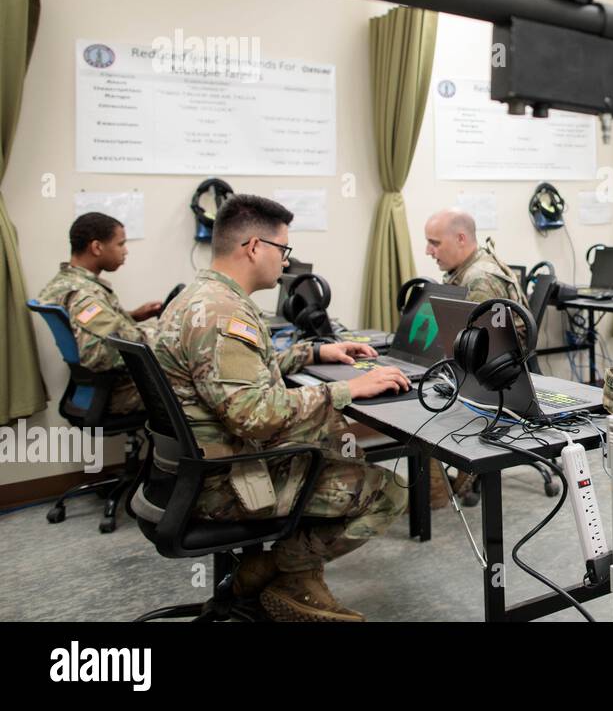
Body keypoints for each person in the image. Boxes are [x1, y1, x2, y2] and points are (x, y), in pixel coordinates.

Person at [154, 194, 410, 621]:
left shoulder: (201, 297)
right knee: (387, 491)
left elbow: (237, 373)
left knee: (335, 444)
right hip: (224, 486)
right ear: (254, 247)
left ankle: (294, 580)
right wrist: (351, 391)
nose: (286, 264)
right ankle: (270, 572)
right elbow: (255, 415)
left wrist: (313, 354)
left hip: (191, 471)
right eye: (283, 250)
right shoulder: (222, 313)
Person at [424, 207, 527, 506]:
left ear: (460, 239)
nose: (428, 251)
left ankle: (438, 492)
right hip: (483, 367)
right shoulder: (467, 270)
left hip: (494, 375)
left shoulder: (478, 279)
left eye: (434, 243)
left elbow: (480, 348)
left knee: (418, 402)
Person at [37, 212, 162, 414]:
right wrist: (164, 337)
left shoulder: (66, 282)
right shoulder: (84, 295)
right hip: (120, 392)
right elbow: (97, 354)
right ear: (97, 247)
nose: (126, 251)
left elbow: (91, 326)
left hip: (104, 389)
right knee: (196, 384)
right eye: (120, 244)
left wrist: (133, 317)